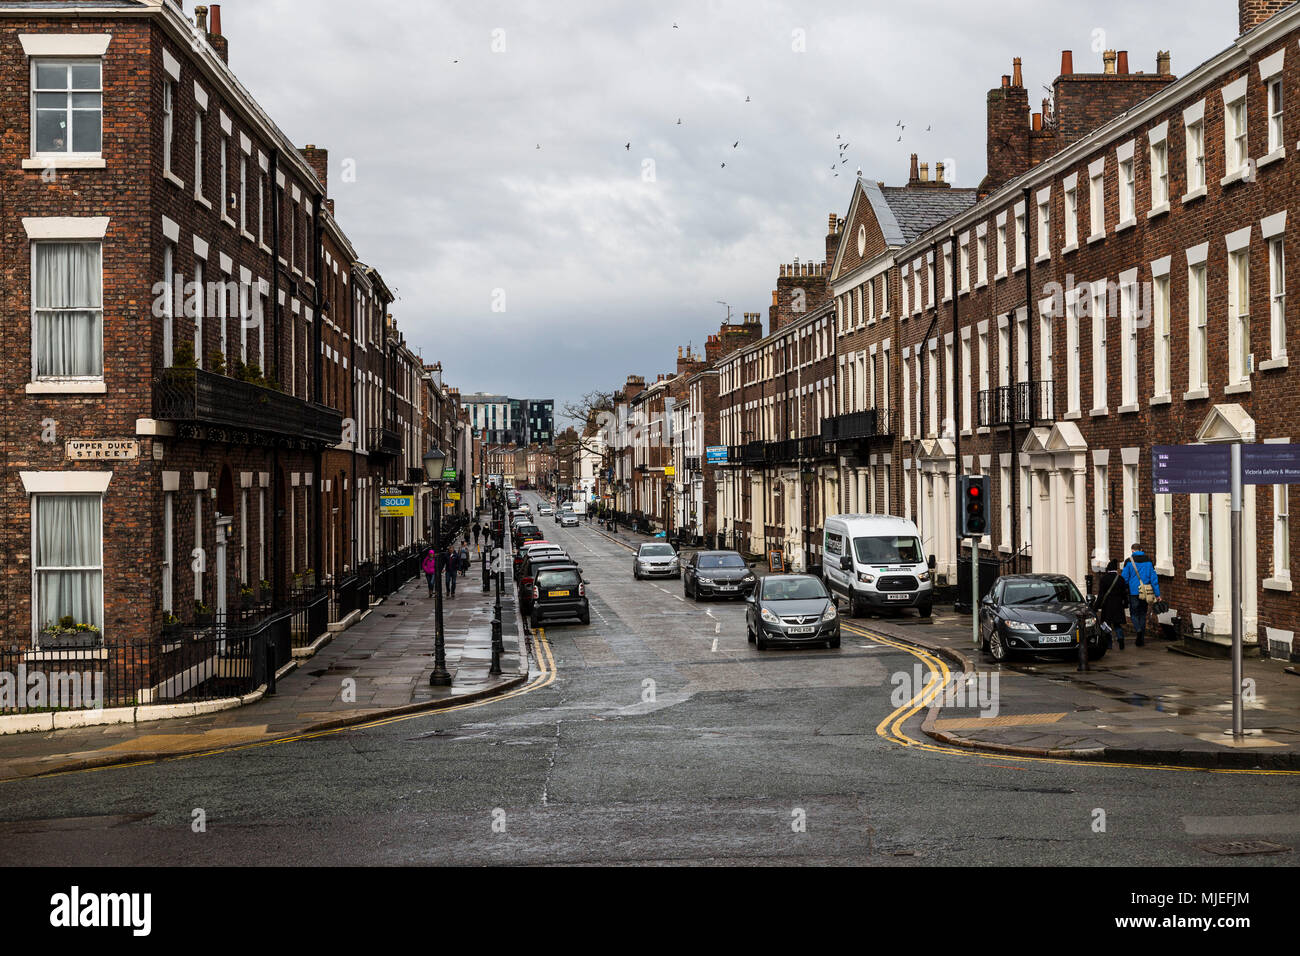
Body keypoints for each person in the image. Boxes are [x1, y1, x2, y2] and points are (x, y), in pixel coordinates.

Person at [1120, 543, 1160, 647]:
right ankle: (1141, 638)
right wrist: (1157, 594)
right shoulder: (1148, 560)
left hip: (1133, 592)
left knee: (1133, 614)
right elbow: (1154, 579)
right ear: (1141, 549)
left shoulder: (1129, 562)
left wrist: (1123, 590)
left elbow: (1124, 578)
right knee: (1143, 614)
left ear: (1132, 550)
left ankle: (1137, 629)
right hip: (1146, 592)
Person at [1095, 558, 1129, 650]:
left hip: (1107, 606)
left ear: (1108, 569)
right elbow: (1124, 594)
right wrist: (1126, 603)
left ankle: (1109, 644)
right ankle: (1121, 640)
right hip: (1118, 606)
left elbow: (1101, 595)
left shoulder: (1104, 579)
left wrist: (1096, 606)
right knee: (1117, 625)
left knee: (1107, 625)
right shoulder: (1121, 579)